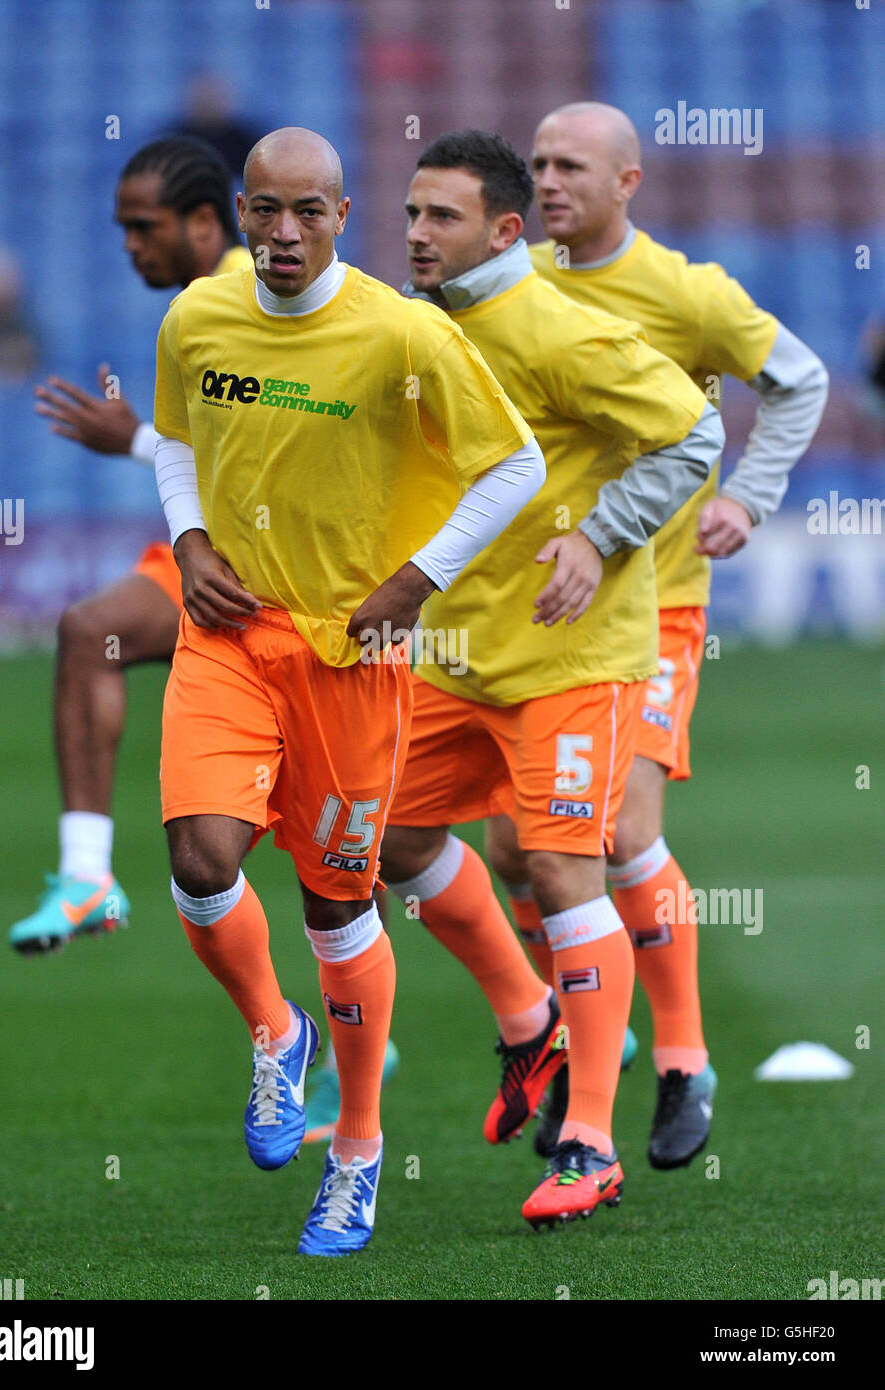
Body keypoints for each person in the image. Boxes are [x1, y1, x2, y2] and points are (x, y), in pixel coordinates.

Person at [152, 127, 548, 1255]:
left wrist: (418, 581)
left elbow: (514, 463)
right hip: (229, 635)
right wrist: (185, 539)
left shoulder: (400, 332)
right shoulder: (197, 318)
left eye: (307, 213)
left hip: (353, 656)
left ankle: (359, 1150)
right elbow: (177, 436)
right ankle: (277, 1036)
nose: (282, 235)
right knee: (199, 857)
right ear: (240, 209)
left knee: (338, 901)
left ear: (340, 213)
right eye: (264, 211)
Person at [379, 130, 724, 1227]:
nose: (418, 233)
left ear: (506, 229)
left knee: (570, 867)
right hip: (457, 652)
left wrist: (602, 534)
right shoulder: (411, 322)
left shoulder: (562, 329)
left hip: (573, 656)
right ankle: (527, 1017)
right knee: (389, 843)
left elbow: (694, 430)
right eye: (413, 213)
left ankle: (591, 1140)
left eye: (442, 217)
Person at [488, 100, 827, 1166]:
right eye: (537, 163)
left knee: (621, 832)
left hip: (655, 603)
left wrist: (752, 494)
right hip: (529, 610)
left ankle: (681, 1056)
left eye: (571, 166)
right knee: (516, 851)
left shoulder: (688, 293)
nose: (547, 181)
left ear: (628, 181)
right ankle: (588, 1029)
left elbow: (798, 380)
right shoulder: (515, 282)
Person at [9, 138, 252, 954]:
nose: (128, 245)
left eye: (143, 226)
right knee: (88, 631)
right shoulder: (200, 304)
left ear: (206, 221)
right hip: (211, 558)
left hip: (280, 577)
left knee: (383, 854)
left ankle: (529, 1011)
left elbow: (269, 455)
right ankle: (86, 878)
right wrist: (145, 440)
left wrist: (135, 440)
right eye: (121, 227)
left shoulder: (246, 302)